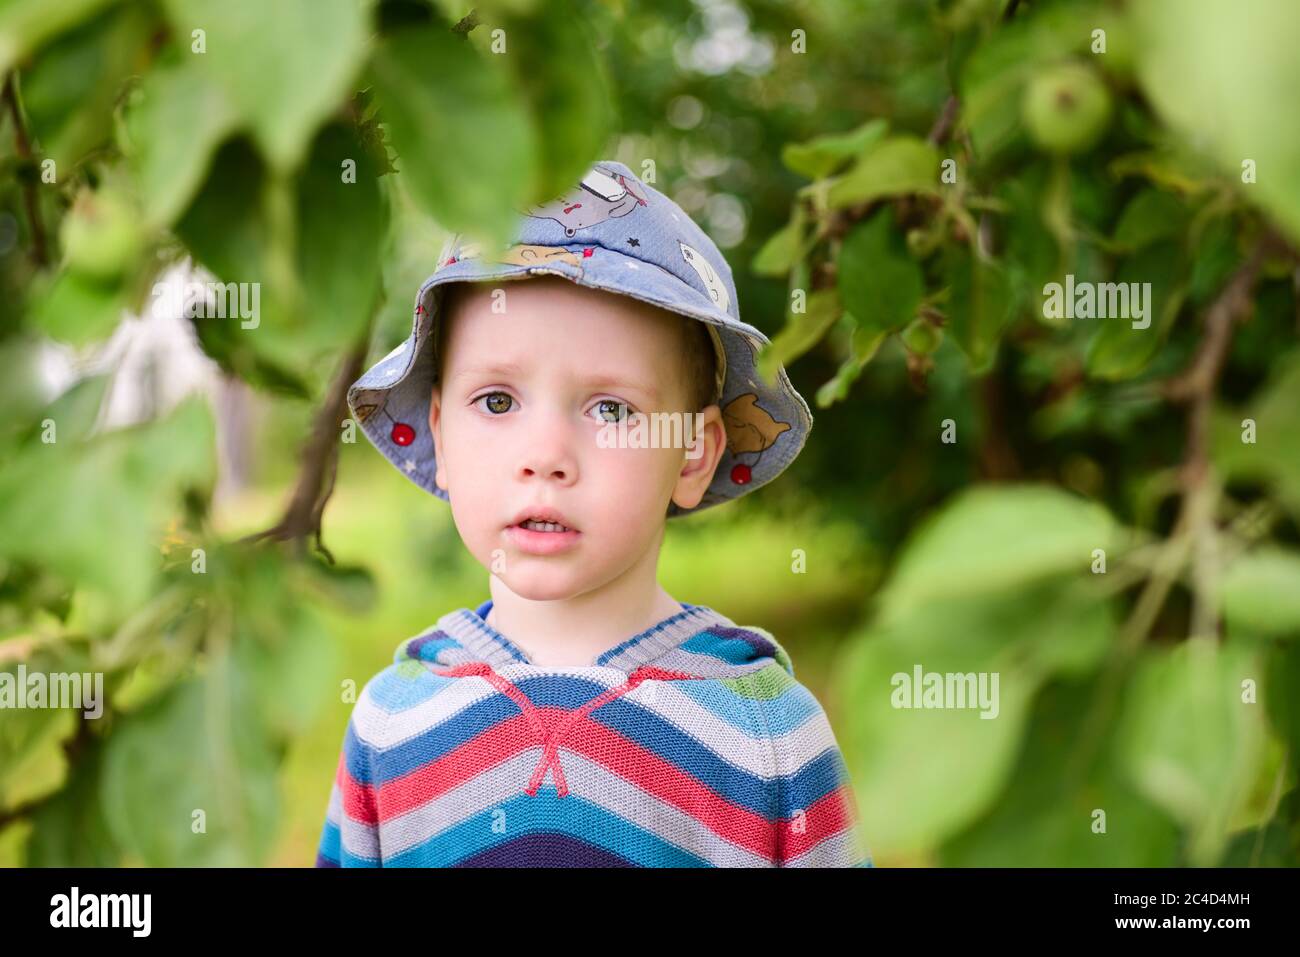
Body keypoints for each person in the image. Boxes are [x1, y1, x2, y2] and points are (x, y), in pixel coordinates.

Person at [315, 160, 870, 867]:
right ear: (441, 436)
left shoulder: (769, 735)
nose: (545, 455)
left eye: (611, 408)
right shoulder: (392, 724)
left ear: (694, 453)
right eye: (497, 401)